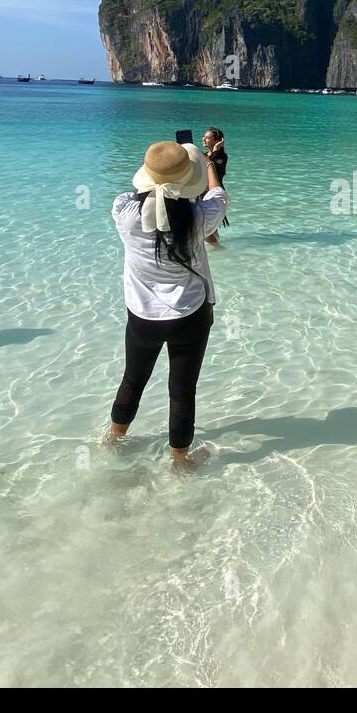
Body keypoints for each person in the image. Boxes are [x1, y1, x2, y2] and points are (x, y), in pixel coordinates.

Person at [107, 140, 227, 465]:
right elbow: (219, 196)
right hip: (190, 315)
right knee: (183, 392)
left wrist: (161, 172)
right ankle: (179, 463)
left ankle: (113, 440)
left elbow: (130, 195)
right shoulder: (199, 217)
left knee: (133, 379)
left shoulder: (125, 213)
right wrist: (209, 168)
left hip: (142, 316)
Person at [201, 127, 228, 246]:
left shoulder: (221, 157)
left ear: (217, 140)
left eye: (207, 137)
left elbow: (211, 164)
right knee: (210, 226)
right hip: (202, 193)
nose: (203, 139)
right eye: (203, 137)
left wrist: (216, 149)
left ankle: (217, 247)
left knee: (208, 226)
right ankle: (217, 246)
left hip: (214, 193)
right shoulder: (204, 155)